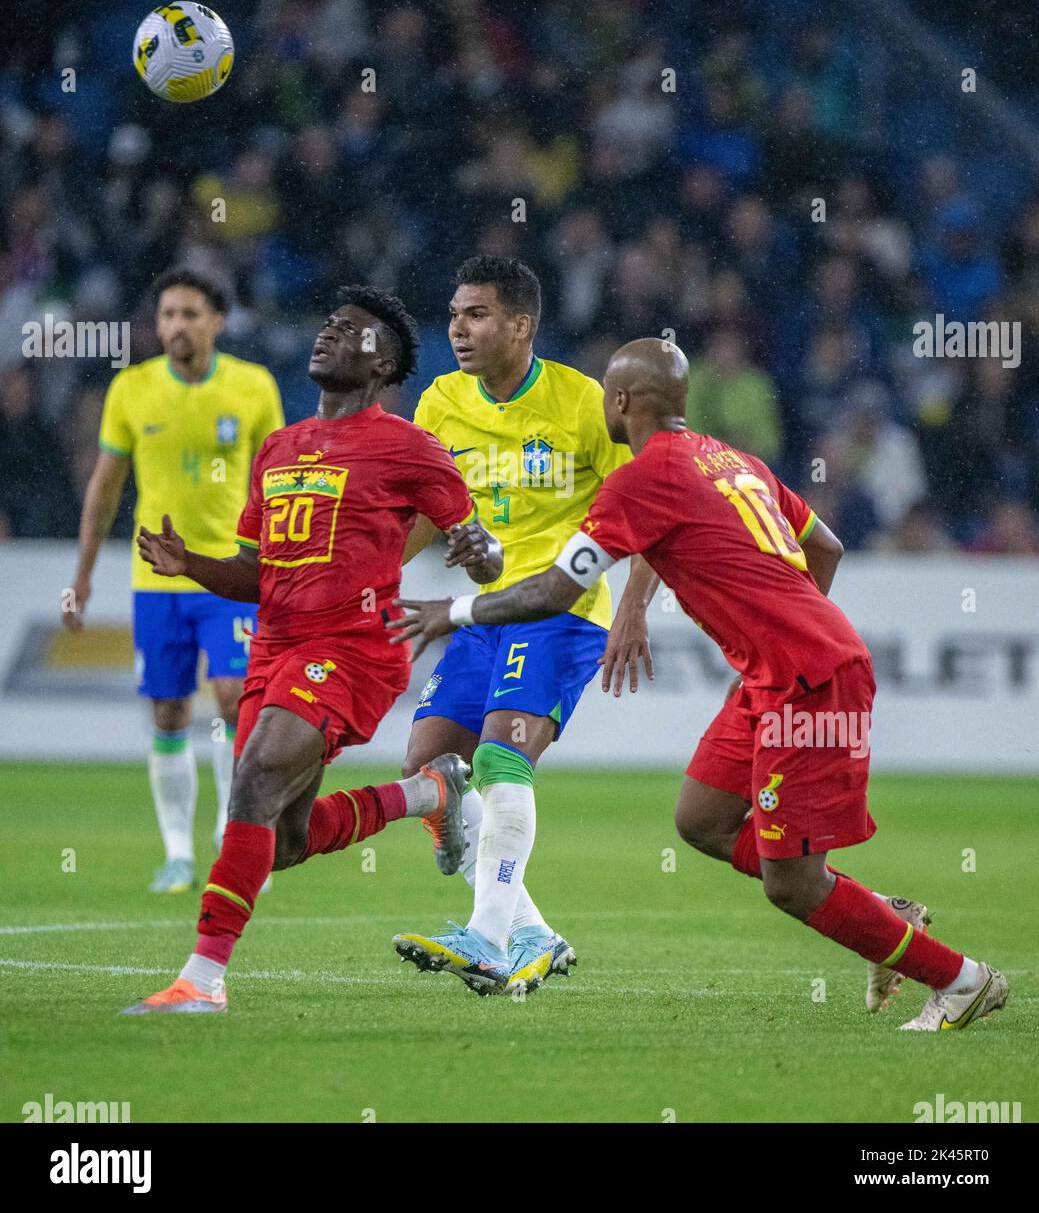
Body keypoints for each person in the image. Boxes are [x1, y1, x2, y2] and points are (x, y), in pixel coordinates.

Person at [390, 338, 1008, 1032]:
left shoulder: (641, 477)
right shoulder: (731, 461)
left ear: (620, 402)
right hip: (775, 673)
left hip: (810, 681)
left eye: (605, 394)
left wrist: (454, 610)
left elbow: (558, 588)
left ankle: (959, 978)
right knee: (702, 820)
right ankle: (886, 918)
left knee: (793, 885)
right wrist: (778, 630)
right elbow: (824, 546)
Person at [122, 286, 502, 1015]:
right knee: (284, 837)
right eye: (328, 324)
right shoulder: (280, 448)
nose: (329, 334)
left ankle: (201, 981)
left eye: (350, 331)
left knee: (256, 775)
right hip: (275, 646)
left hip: (353, 648)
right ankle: (427, 793)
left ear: (383, 362)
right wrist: (189, 563)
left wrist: (476, 549)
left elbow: (481, 553)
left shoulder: (410, 448)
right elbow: (255, 574)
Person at [390, 255, 658, 996]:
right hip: (482, 613)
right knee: (429, 766)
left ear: (520, 324)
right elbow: (423, 513)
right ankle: (534, 933)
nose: (457, 329)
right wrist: (369, 579)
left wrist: (632, 607)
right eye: (452, 315)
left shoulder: (582, 404)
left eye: (475, 314)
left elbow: (649, 509)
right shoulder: (442, 402)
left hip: (560, 609)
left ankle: (484, 937)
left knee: (503, 761)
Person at [64, 269, 284, 892]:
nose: (176, 326)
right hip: (156, 579)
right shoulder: (132, 390)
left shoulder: (253, 386)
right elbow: (105, 487)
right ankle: (177, 853)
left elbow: (277, 481)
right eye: (166, 315)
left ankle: (231, 839)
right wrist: (82, 576)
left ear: (218, 320)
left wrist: (281, 562)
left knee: (235, 699)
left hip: (230, 574)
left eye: (190, 314)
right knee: (167, 711)